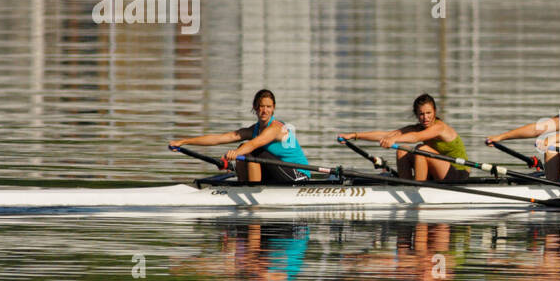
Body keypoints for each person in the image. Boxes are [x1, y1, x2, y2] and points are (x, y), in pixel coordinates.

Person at [169, 89, 311, 184]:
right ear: (255, 107)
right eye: (261, 106)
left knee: (251, 151)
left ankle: (252, 191)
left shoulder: (276, 128)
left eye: (268, 107)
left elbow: (255, 144)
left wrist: (236, 153)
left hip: (298, 175)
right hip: (279, 171)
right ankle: (244, 187)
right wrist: (183, 141)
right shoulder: (252, 130)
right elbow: (220, 138)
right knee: (244, 149)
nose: (265, 110)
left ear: (273, 108)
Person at [343, 93, 469, 182]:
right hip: (439, 171)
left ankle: (418, 188)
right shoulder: (418, 127)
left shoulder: (439, 128)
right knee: (402, 149)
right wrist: (355, 135)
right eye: (421, 114)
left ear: (435, 112)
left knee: (422, 149)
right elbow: (387, 135)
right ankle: (405, 184)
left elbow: (415, 137)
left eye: (428, 113)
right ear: (416, 115)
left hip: (458, 173)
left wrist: (394, 140)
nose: (425, 117)